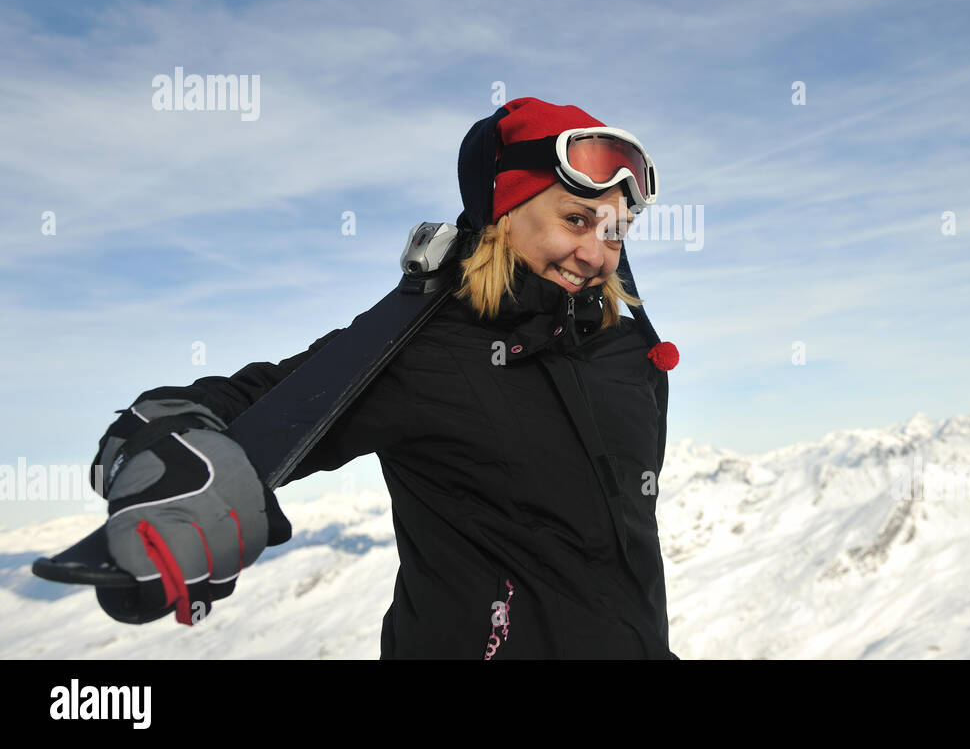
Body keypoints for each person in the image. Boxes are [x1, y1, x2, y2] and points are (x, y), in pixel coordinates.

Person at [89, 97, 680, 659]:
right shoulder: (422, 350)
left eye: (614, 231)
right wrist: (159, 446)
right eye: (576, 220)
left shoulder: (627, 355)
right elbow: (263, 400)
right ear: (503, 215)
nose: (597, 255)